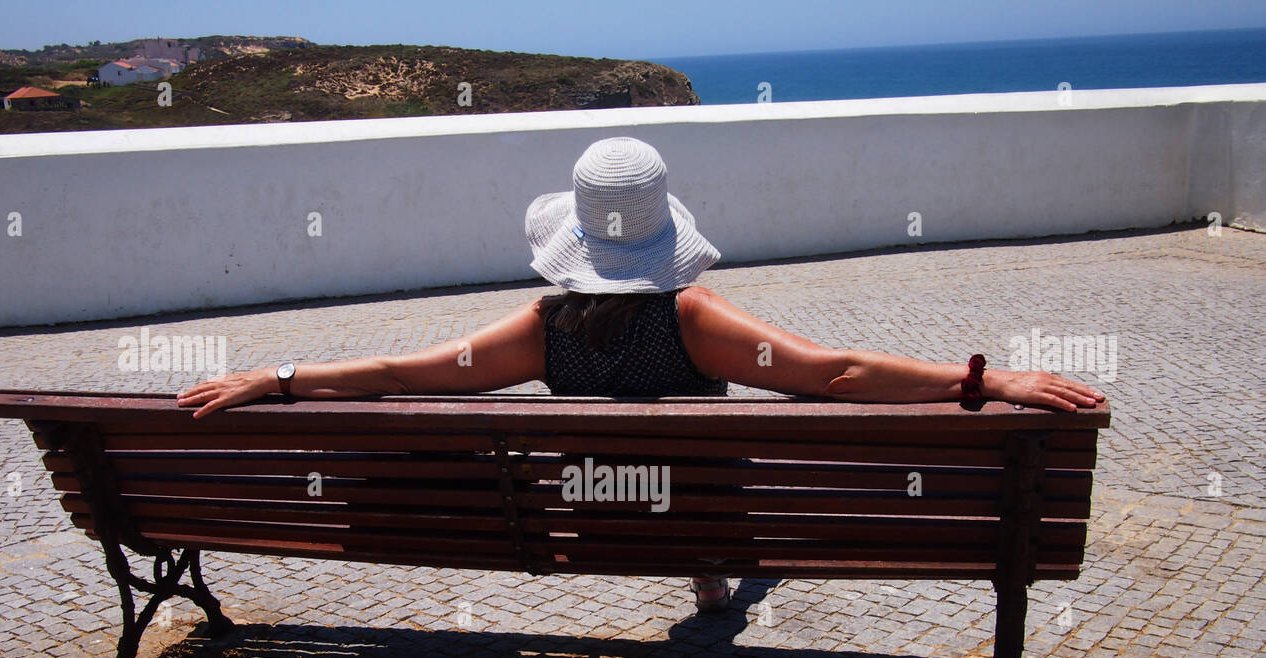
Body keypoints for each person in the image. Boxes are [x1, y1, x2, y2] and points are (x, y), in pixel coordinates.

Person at [178, 137, 1104, 611]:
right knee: (704, 445)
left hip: (588, 517)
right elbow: (837, 374)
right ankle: (705, 555)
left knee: (634, 450)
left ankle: (687, 535)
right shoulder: (694, 318)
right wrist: (982, 380)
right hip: (697, 505)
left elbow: (398, 370)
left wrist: (283, 373)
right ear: (665, 234)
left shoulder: (541, 332)